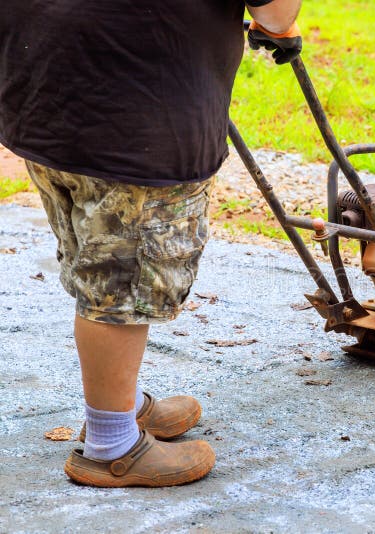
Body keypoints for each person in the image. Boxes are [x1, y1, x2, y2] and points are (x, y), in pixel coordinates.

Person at [0, 0, 302, 487]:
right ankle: (110, 446)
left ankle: (119, 402)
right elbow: (275, 10)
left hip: (43, 90)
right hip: (138, 107)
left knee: (94, 260)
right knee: (121, 289)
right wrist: (280, 26)